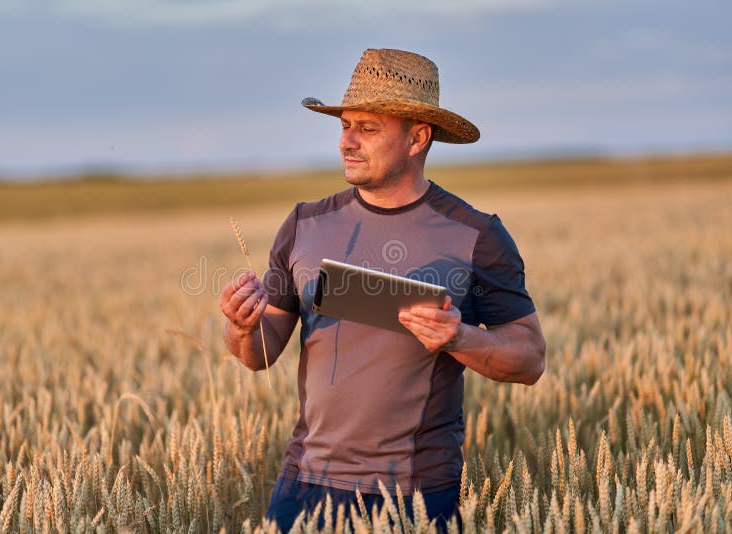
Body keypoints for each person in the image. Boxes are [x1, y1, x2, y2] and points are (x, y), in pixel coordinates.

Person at [219, 48, 546, 530]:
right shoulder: (305, 223)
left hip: (415, 491)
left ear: (418, 137)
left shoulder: (476, 234)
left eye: (367, 128)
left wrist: (459, 339)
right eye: (344, 125)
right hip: (304, 482)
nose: (347, 142)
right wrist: (241, 326)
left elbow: (530, 359)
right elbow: (258, 353)